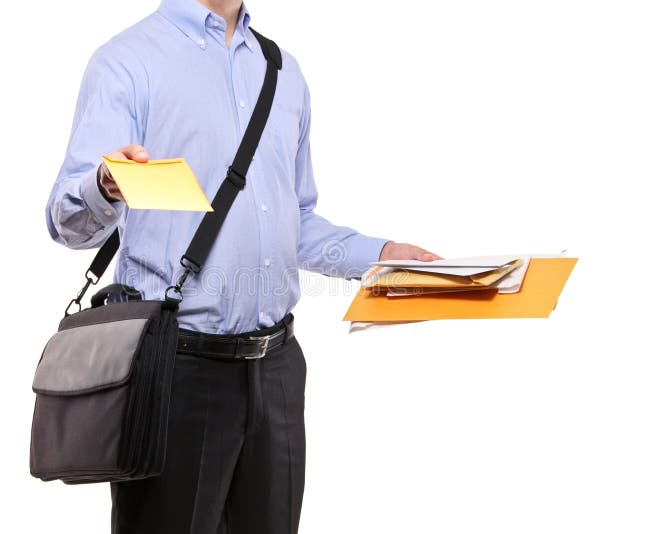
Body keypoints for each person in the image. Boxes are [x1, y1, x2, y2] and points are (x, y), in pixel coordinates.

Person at [45, 0, 439, 532]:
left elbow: (294, 220)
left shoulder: (282, 70)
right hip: (176, 369)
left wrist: (381, 255)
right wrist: (103, 186)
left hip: (277, 371)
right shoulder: (127, 61)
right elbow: (66, 221)